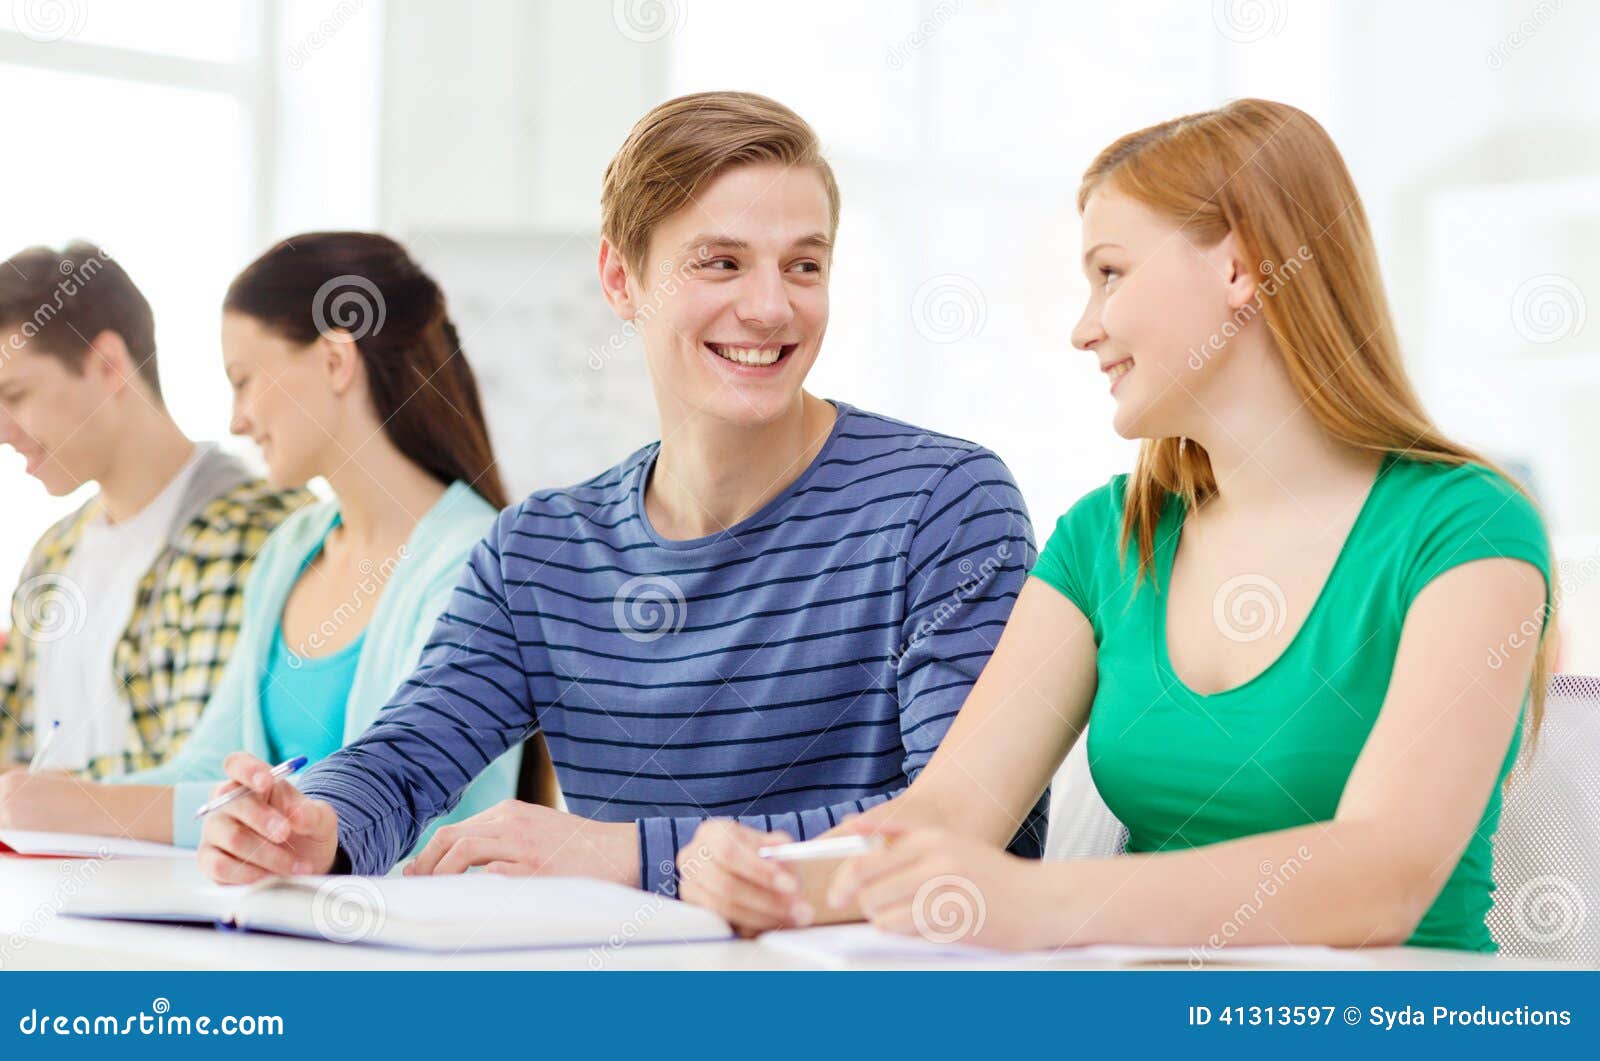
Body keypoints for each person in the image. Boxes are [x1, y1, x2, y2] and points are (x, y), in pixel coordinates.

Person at [193, 93, 1048, 928]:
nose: (771, 306)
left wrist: (629, 854)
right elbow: (406, 757)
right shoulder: (539, 549)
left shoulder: (946, 504)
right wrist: (315, 826)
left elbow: (966, 831)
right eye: (721, 262)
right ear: (619, 278)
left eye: (804, 265)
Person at [826, 99, 1554, 954]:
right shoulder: (1105, 539)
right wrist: (770, 878)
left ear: (1240, 269)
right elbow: (947, 813)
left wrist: (1034, 902)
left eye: (1111, 272)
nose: (1084, 328)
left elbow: (1381, 878)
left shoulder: (1467, 528)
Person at [0, 233, 522, 847]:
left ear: (335, 362)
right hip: (274, 909)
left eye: (244, 380)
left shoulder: (475, 561)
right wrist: (66, 802)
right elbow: (209, 769)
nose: (236, 420)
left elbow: (419, 810)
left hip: (390, 910)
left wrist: (91, 810)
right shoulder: (293, 547)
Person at [0, 242, 305, 778]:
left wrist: (31, 793)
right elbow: (15, 744)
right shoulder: (54, 551)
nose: (4, 432)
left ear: (108, 365)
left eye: (15, 394)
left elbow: (200, 775)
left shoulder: (252, 533)